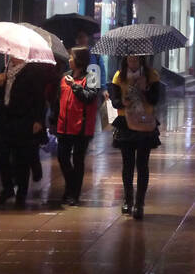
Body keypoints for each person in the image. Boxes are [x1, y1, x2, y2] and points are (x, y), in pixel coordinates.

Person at [109, 55, 161, 219]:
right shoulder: (119, 76)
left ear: (141, 60)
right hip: (126, 123)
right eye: (130, 59)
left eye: (136, 59)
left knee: (142, 164)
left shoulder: (151, 75)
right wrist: (122, 102)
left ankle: (140, 203)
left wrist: (145, 90)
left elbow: (156, 99)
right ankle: (128, 199)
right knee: (128, 164)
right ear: (125, 60)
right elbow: (114, 100)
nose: (132, 62)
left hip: (145, 123)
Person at [0, 55, 46, 208]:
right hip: (5, 119)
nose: (11, 55)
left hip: (24, 120)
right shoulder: (5, 69)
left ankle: (21, 193)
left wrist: (38, 120)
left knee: (21, 158)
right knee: (2, 155)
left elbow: (39, 98)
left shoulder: (32, 71)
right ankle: (8, 188)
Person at [56, 46, 100, 206]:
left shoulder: (92, 77)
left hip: (82, 127)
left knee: (78, 160)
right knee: (62, 157)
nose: (69, 60)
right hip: (64, 125)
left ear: (79, 60)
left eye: (72, 57)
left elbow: (89, 97)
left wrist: (74, 85)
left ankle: (74, 193)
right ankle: (70, 186)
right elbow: (58, 99)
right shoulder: (64, 76)